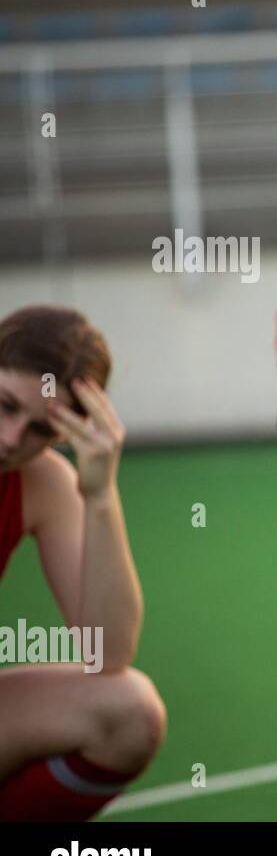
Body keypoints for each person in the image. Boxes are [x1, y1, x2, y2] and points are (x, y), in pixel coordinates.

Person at [0, 305, 165, 821]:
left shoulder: (40, 482)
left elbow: (108, 650)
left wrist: (99, 495)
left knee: (131, 712)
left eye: (40, 431)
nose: (11, 439)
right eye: (5, 406)